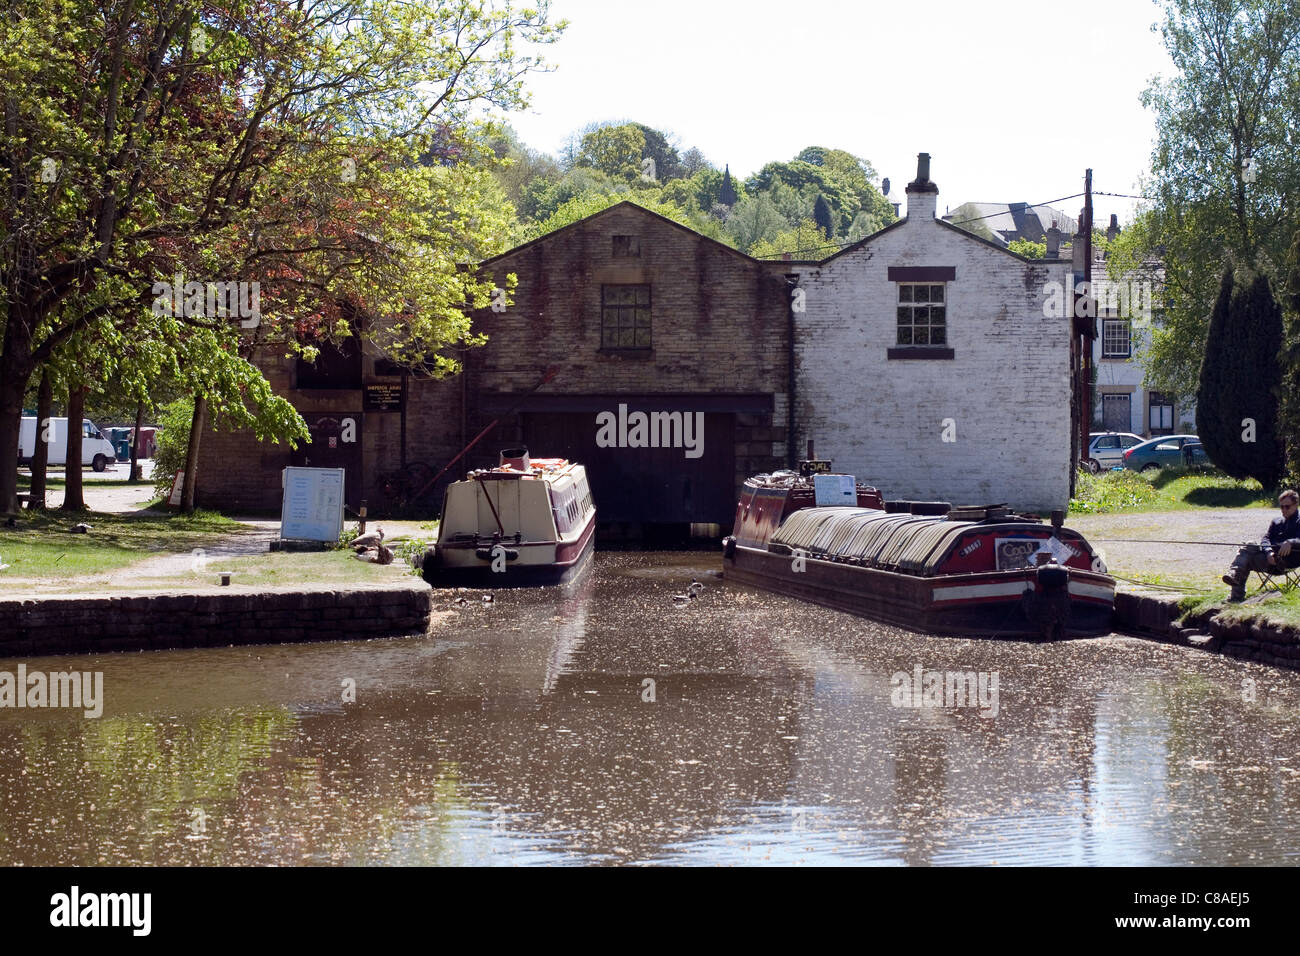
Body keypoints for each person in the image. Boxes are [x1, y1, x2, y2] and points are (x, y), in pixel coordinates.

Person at [1222, 489, 1300, 600]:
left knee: (1246, 559)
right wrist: (1269, 552)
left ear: (1296, 505)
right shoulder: (1276, 521)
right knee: (1249, 546)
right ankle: (1234, 577)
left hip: (1287, 562)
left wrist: (1291, 542)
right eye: (1281, 507)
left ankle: (1235, 590)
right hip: (1267, 560)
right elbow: (1266, 538)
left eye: (1287, 507)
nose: (1283, 510)